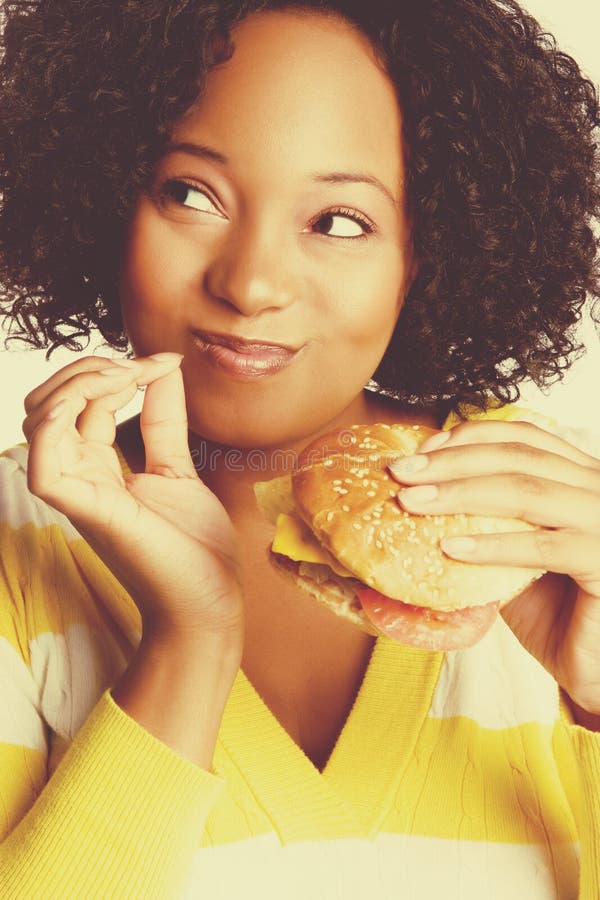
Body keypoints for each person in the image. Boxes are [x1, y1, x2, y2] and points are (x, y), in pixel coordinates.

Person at [0, 0, 599, 896]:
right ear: (99, 195)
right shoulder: (15, 545)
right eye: (190, 193)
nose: (250, 283)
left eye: (340, 221)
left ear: (426, 252)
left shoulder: (556, 531)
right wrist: (191, 637)